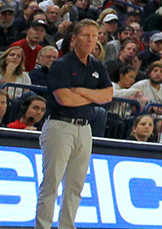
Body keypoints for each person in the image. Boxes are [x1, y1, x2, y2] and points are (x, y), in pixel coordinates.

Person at [38, 17, 111, 229]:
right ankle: (42, 226)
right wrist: (93, 96)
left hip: (85, 128)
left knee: (76, 185)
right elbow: (64, 99)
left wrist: (80, 91)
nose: (90, 40)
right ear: (74, 38)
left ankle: (67, 226)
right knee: (51, 182)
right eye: (86, 35)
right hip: (60, 126)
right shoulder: (62, 65)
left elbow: (107, 95)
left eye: (94, 36)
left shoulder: (98, 66)